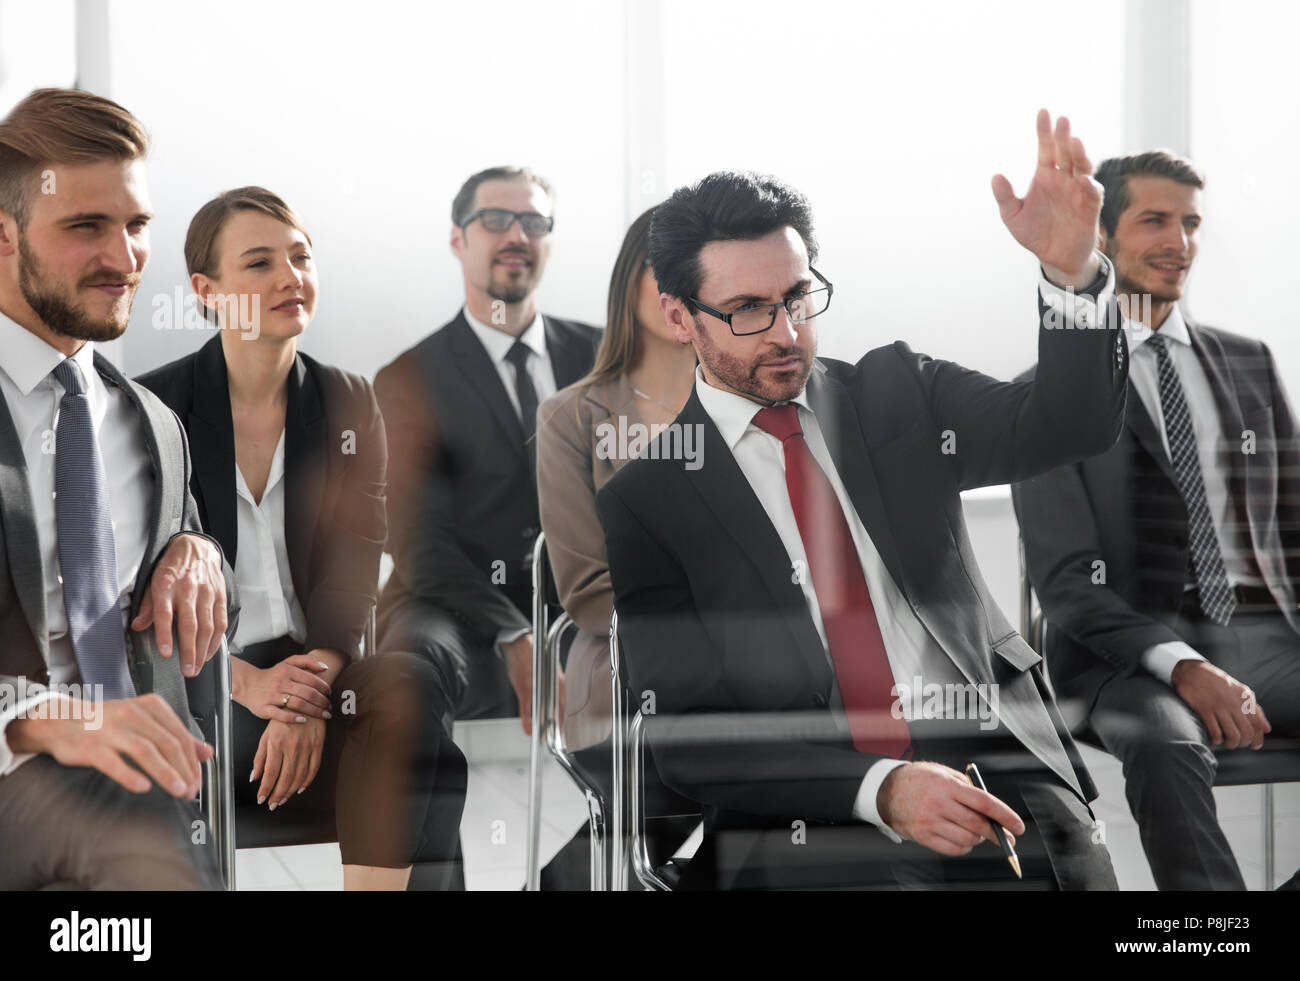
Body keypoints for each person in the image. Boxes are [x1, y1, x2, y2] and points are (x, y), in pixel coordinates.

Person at [596, 111, 1125, 890]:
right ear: (679, 316)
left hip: (989, 750)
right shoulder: (650, 498)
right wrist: (881, 787)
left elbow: (1069, 424)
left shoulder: (897, 394)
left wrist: (1073, 278)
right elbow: (689, 740)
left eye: (799, 296)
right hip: (813, 801)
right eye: (748, 310)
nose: (786, 332)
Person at [138, 187, 467, 890]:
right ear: (208, 289)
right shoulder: (153, 410)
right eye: (260, 262)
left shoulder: (349, 400)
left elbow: (354, 575)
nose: (291, 277)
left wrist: (308, 690)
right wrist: (250, 684)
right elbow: (135, 599)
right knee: (433, 758)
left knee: (406, 685)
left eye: (302, 256)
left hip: (320, 665)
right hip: (204, 688)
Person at [1012, 151, 1300, 890]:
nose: (1180, 242)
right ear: (1100, 236)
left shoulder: (1250, 363)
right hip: (1126, 660)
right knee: (1168, 748)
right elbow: (1069, 585)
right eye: (1155, 220)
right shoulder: (1048, 395)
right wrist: (1188, 665)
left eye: (1191, 223)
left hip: (1268, 638)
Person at [0, 88, 232, 890]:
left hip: (148, 785)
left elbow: (195, 564)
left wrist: (199, 552)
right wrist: (59, 722)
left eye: (136, 226)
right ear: (4, 234)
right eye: (85, 226)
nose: (126, 257)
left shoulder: (156, 425)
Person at [374, 166, 600, 740]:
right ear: (459, 239)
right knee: (413, 663)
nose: (516, 237)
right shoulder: (408, 378)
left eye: (533, 222)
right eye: (495, 220)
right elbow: (416, 540)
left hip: (579, 600)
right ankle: (427, 833)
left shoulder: (604, 358)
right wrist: (511, 630)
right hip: (451, 603)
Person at [535, 205, 698, 887]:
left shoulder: (759, 408)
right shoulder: (572, 417)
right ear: (629, 280)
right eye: (663, 270)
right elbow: (588, 590)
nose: (678, 291)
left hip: (764, 673)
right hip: (625, 673)